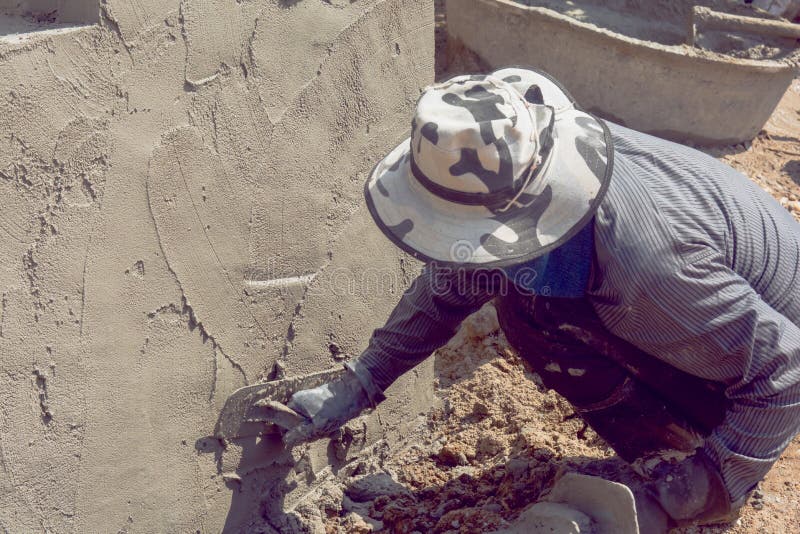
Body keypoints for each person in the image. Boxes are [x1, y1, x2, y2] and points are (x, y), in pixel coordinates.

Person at [282, 67, 800, 531]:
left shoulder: (648, 265)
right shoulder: (525, 161)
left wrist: (700, 491)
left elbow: (785, 368)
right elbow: (454, 283)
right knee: (528, 310)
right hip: (721, 326)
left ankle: (691, 462)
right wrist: (364, 379)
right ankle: (666, 454)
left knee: (542, 316)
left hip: (762, 372)